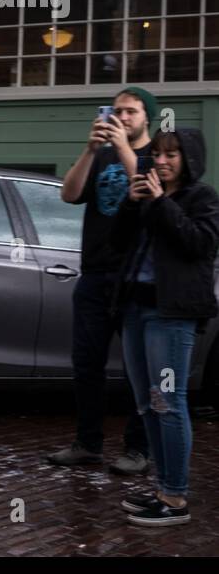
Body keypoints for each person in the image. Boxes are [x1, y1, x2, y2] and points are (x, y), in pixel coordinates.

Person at [111, 127, 218, 526]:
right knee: (146, 406)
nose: (161, 161)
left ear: (188, 159)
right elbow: (118, 245)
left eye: (171, 155)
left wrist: (159, 203)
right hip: (136, 312)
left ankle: (175, 498)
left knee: (167, 403)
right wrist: (130, 202)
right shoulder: (147, 195)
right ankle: (163, 487)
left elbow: (199, 244)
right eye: (157, 153)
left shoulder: (201, 197)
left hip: (171, 317)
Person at [48, 88, 155, 473]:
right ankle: (87, 443)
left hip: (135, 279)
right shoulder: (104, 153)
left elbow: (146, 193)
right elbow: (69, 194)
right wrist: (91, 150)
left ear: (147, 117)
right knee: (86, 365)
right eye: (118, 110)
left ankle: (139, 448)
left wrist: (124, 147)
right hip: (94, 275)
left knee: (136, 368)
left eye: (131, 111)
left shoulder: (157, 156)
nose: (122, 117)